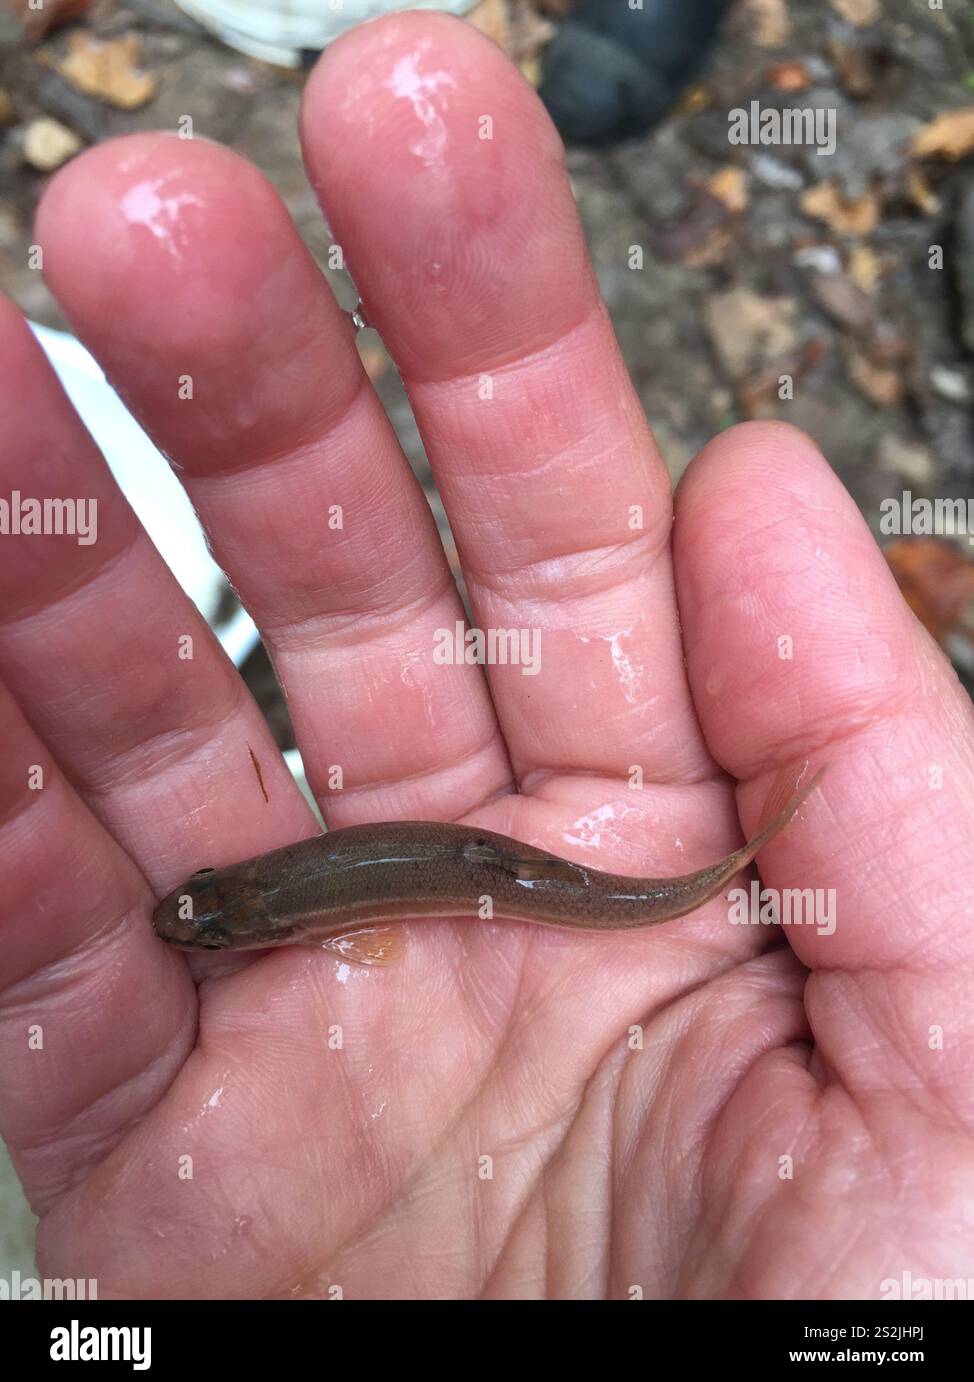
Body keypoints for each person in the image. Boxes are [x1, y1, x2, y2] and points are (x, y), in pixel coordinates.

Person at [0, 13, 970, 1300]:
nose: (197, 919)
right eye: (203, 916)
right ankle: (696, 878)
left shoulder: (283, 915)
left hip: (482, 879)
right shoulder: (274, 907)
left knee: (531, 879)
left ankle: (694, 881)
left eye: (205, 913)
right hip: (460, 879)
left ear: (251, 898)